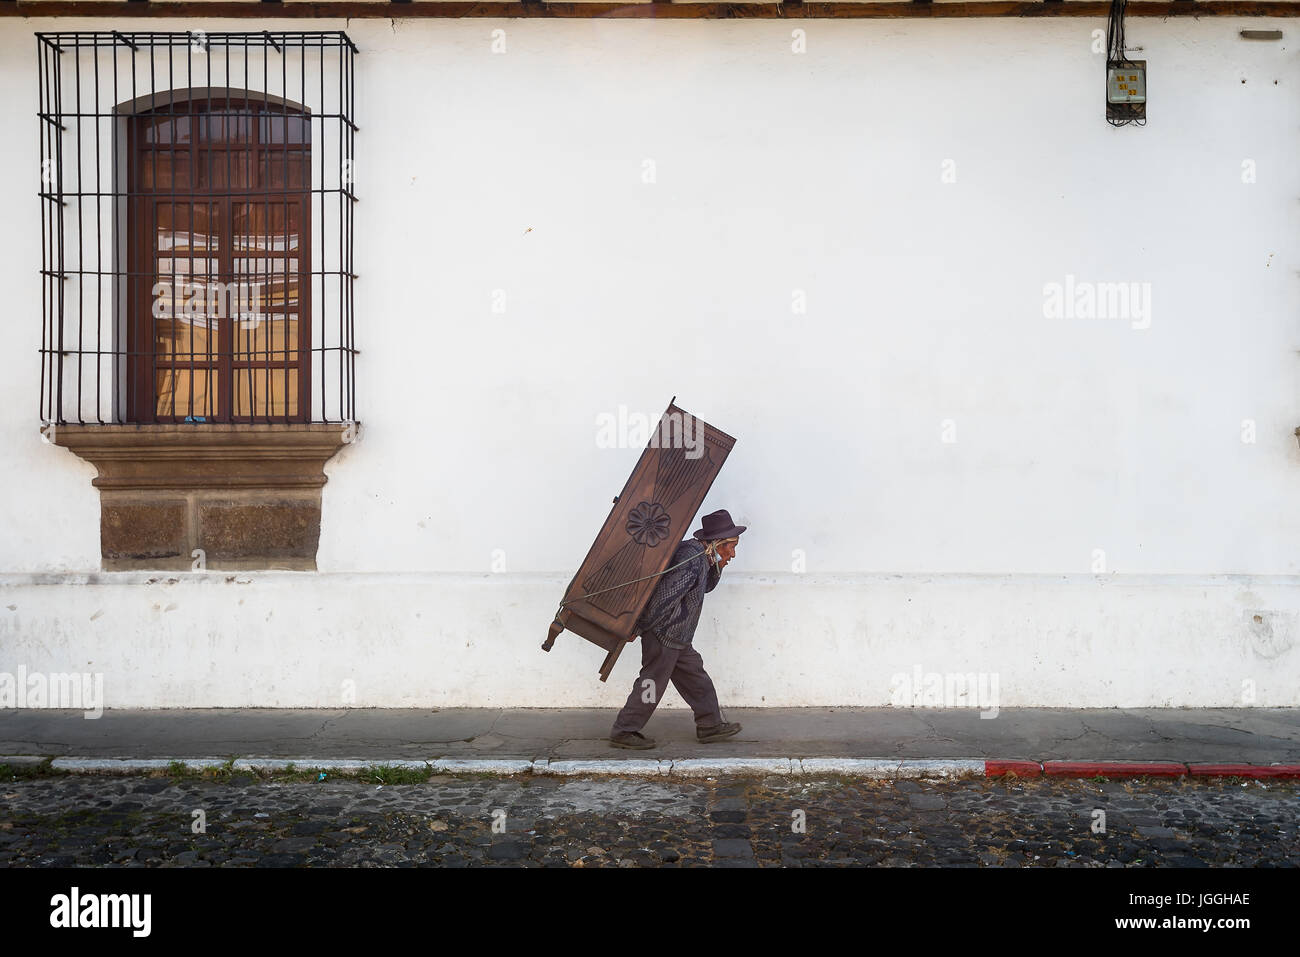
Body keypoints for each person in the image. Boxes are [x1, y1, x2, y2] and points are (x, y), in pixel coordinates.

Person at [609, 509, 746, 749]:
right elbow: (663, 598)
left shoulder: (702, 557)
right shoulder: (690, 559)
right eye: (730, 546)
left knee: (696, 679)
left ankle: (710, 725)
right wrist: (640, 627)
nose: (733, 553)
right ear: (717, 542)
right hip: (664, 634)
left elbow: (705, 588)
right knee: (651, 682)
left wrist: (719, 565)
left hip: (678, 635)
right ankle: (625, 730)